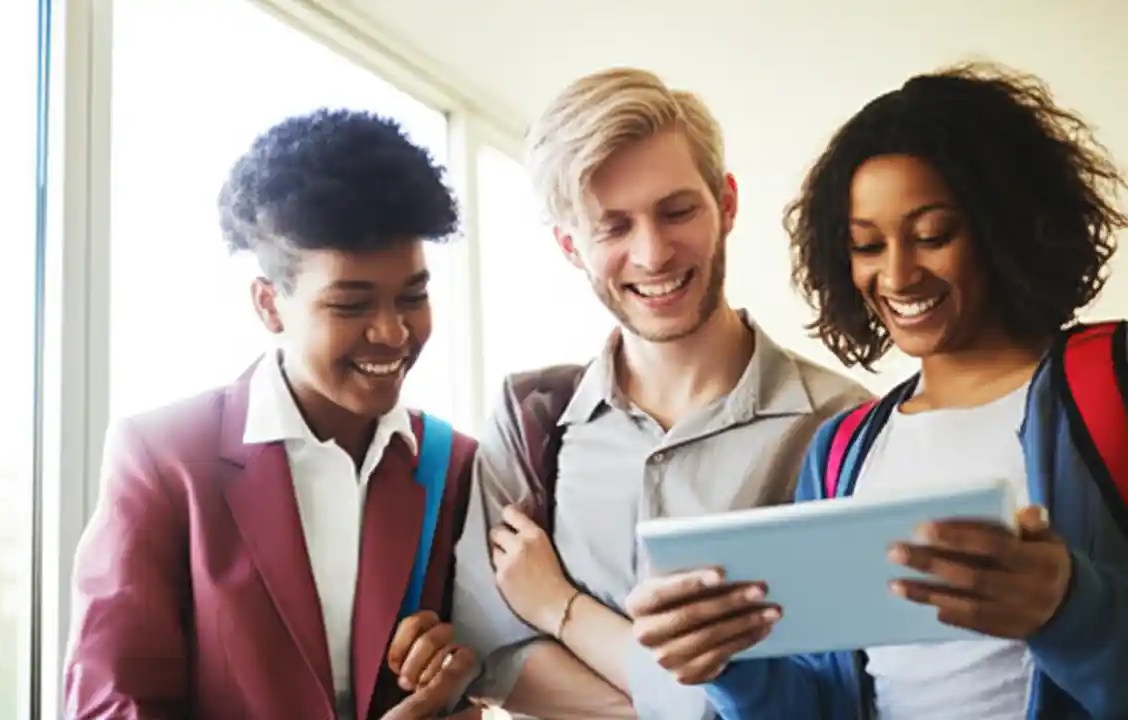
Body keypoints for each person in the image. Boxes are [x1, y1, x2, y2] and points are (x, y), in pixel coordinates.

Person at [625, 62, 1128, 719]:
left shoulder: (1110, 381)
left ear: (1004, 226)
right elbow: (821, 704)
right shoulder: (842, 451)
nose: (897, 275)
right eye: (866, 245)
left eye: (932, 236)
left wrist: (1069, 607)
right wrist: (730, 669)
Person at [451, 67, 871, 718]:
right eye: (613, 228)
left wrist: (561, 609)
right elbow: (493, 651)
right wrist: (686, 707)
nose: (652, 254)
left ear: (726, 204)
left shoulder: (842, 427)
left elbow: (831, 692)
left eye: (676, 212)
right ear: (570, 246)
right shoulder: (531, 418)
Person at [63, 109, 481, 720]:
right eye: (350, 304)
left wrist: (461, 672)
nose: (393, 332)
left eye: (412, 296)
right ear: (270, 305)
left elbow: (492, 663)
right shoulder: (165, 460)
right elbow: (107, 704)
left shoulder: (456, 468)